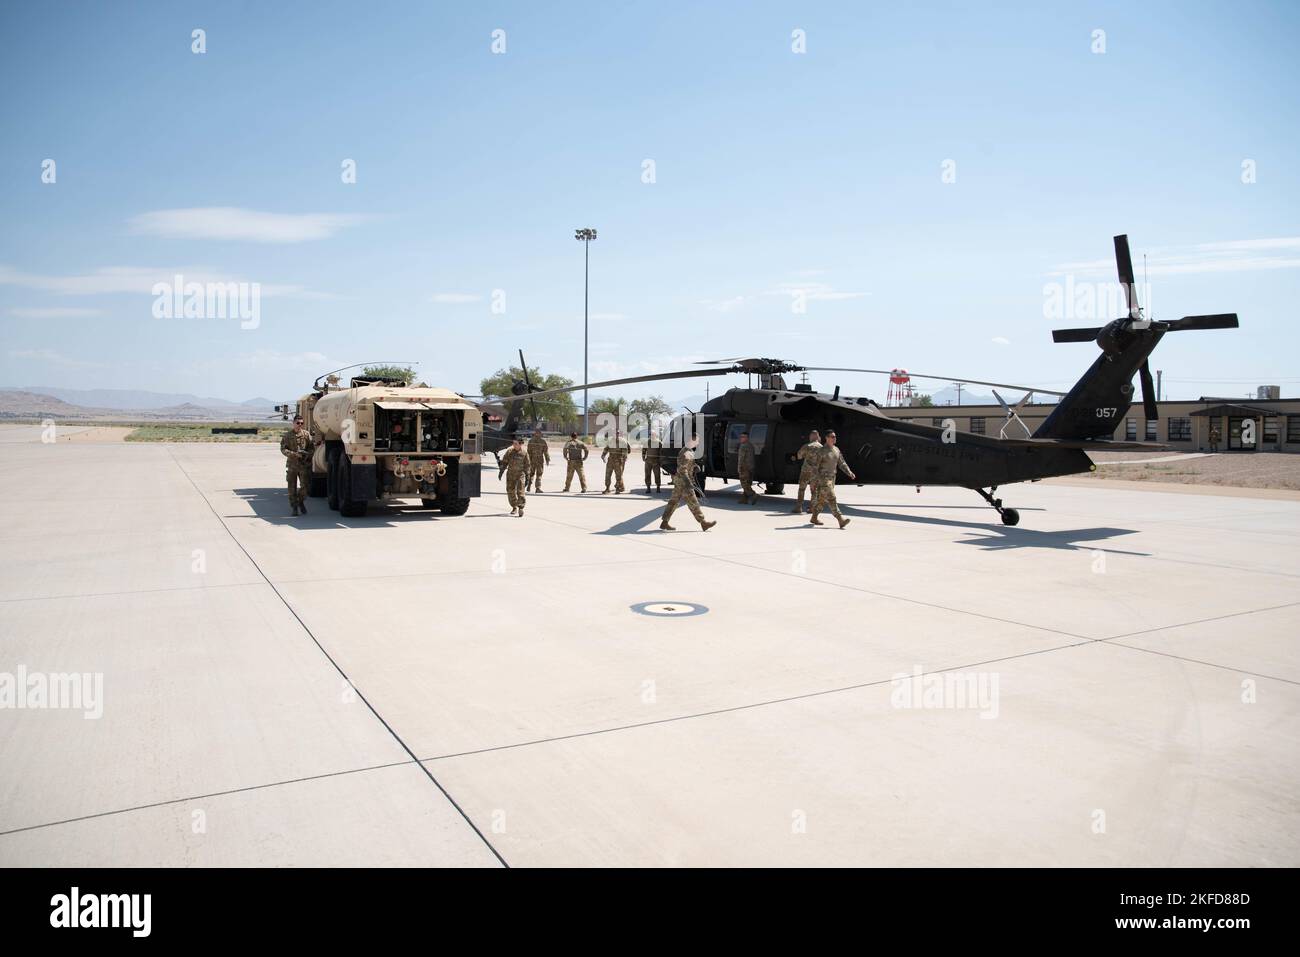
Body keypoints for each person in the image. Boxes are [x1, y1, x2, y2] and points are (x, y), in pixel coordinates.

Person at [660, 435, 716, 531]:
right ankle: (703, 523)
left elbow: (688, 464)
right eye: (697, 441)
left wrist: (695, 466)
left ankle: (664, 522)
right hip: (683, 481)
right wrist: (688, 482)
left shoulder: (689, 451)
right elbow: (682, 469)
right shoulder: (685, 452)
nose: (698, 443)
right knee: (693, 502)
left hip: (680, 480)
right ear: (692, 440)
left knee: (673, 502)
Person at [810, 430, 855, 529]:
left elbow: (842, 463)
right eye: (832, 436)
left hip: (832, 478)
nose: (834, 438)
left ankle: (814, 517)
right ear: (827, 438)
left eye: (835, 436)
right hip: (823, 478)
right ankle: (840, 519)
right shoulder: (821, 451)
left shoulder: (836, 450)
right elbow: (814, 467)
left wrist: (849, 472)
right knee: (831, 497)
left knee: (822, 500)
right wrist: (812, 481)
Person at [280, 415, 314, 516]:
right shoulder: (287, 436)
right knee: (291, 488)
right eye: (298, 423)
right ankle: (294, 507)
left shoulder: (306, 435)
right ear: (293, 423)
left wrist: (307, 455)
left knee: (305, 487)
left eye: (301, 423)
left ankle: (300, 501)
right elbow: (283, 449)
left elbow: (311, 448)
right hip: (292, 465)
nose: (300, 425)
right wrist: (293, 454)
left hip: (303, 465)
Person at [793, 429, 823, 514]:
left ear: (811, 437)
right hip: (816, 472)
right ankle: (812, 508)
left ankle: (799, 507)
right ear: (818, 437)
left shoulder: (807, 446)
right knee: (814, 490)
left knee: (802, 488)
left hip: (806, 471)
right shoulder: (822, 447)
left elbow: (799, 456)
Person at [498, 437, 528, 516]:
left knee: (520, 492)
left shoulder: (524, 453)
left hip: (520, 475)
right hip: (510, 475)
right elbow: (504, 462)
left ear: (520, 444)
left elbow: (527, 465)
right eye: (513, 443)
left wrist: (527, 476)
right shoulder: (509, 452)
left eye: (516, 443)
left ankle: (521, 507)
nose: (514, 445)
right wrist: (501, 472)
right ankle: (514, 507)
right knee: (510, 491)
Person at [600, 429, 630, 494]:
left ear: (619, 434)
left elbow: (626, 452)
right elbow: (606, 449)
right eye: (615, 433)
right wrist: (603, 455)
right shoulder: (610, 441)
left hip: (619, 461)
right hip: (610, 461)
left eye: (617, 433)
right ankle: (607, 488)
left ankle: (618, 488)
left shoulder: (623, 441)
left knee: (618, 476)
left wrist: (623, 460)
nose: (616, 434)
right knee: (607, 475)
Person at [736, 430, 757, 504]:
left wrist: (739, 468)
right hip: (751, 467)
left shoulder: (743, 446)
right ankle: (744, 499)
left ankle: (753, 494)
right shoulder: (751, 445)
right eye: (741, 437)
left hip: (744, 468)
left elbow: (741, 459)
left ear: (747, 438)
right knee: (748, 482)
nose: (741, 438)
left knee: (744, 483)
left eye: (743, 437)